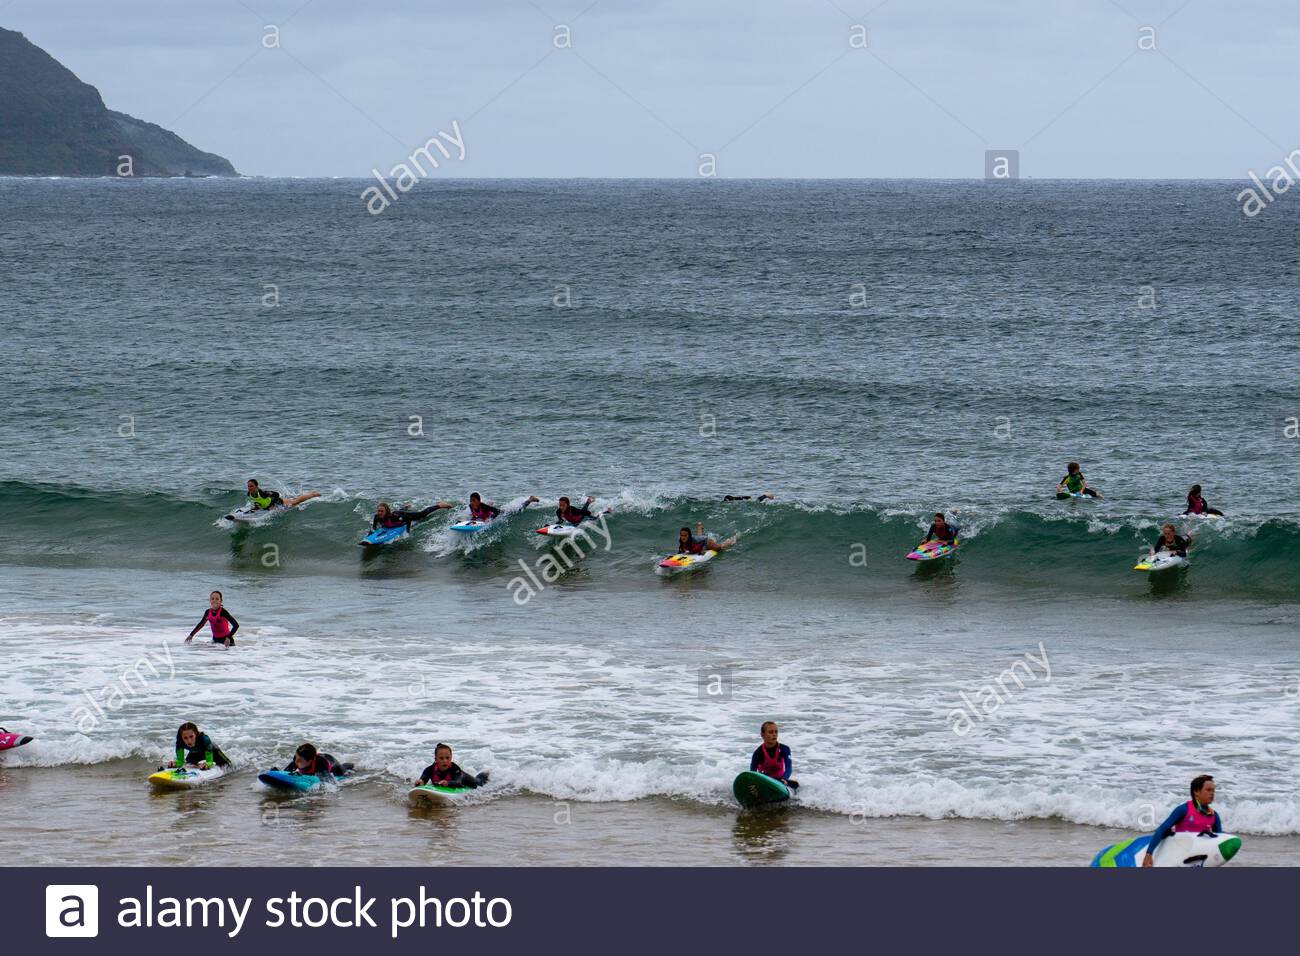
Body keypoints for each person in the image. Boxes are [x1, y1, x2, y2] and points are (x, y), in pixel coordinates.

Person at [1143, 775, 1223, 867]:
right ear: (1196, 792)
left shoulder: (1214, 816)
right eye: (1208, 790)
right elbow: (1162, 830)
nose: (1212, 793)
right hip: (1179, 854)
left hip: (1199, 858)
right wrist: (1149, 854)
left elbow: (1219, 839)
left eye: (1213, 790)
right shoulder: (1183, 810)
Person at [413, 743, 489, 789]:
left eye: (447, 758)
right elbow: (423, 781)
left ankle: (487, 773)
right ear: (436, 759)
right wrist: (420, 782)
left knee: (480, 782)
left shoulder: (455, 769)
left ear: (451, 758)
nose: (445, 760)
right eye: (441, 758)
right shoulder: (430, 769)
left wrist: (448, 783)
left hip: (470, 783)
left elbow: (458, 782)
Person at [750, 721, 798, 789]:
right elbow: (752, 773)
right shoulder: (758, 753)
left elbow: (789, 769)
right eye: (771, 732)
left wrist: (784, 779)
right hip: (764, 782)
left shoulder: (784, 749)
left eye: (776, 732)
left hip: (780, 781)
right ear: (762, 735)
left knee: (796, 785)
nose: (774, 734)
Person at [245, 478, 320, 511]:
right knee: (294, 501)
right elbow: (260, 502)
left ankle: (313, 494)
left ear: (256, 486)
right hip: (269, 506)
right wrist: (256, 507)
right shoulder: (249, 494)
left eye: (251, 486)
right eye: (248, 486)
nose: (249, 488)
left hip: (278, 503)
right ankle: (310, 492)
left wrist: (272, 506)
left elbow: (276, 495)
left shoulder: (262, 493)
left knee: (296, 501)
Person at [283, 742, 352, 778]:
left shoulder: (321, 765)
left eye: (299, 760)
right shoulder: (297, 759)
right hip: (315, 756)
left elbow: (328, 783)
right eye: (296, 757)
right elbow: (284, 773)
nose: (296, 762)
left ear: (309, 761)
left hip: (334, 766)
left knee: (344, 770)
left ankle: (350, 766)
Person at [372, 500, 452, 530]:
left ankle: (440, 505)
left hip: (402, 515)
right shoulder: (377, 517)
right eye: (379, 511)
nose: (380, 513)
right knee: (399, 511)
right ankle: (405, 507)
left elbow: (408, 519)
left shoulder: (394, 517)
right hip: (398, 513)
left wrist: (408, 530)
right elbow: (374, 528)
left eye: (382, 511)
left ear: (386, 511)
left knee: (421, 514)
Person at [467, 492, 539, 522]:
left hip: (502, 513)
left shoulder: (483, 506)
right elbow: (474, 516)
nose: (472, 502)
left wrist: (489, 520)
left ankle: (530, 499)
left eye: (474, 500)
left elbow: (497, 511)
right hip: (491, 513)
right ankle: (491, 504)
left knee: (519, 510)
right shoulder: (471, 506)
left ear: (479, 501)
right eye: (471, 500)